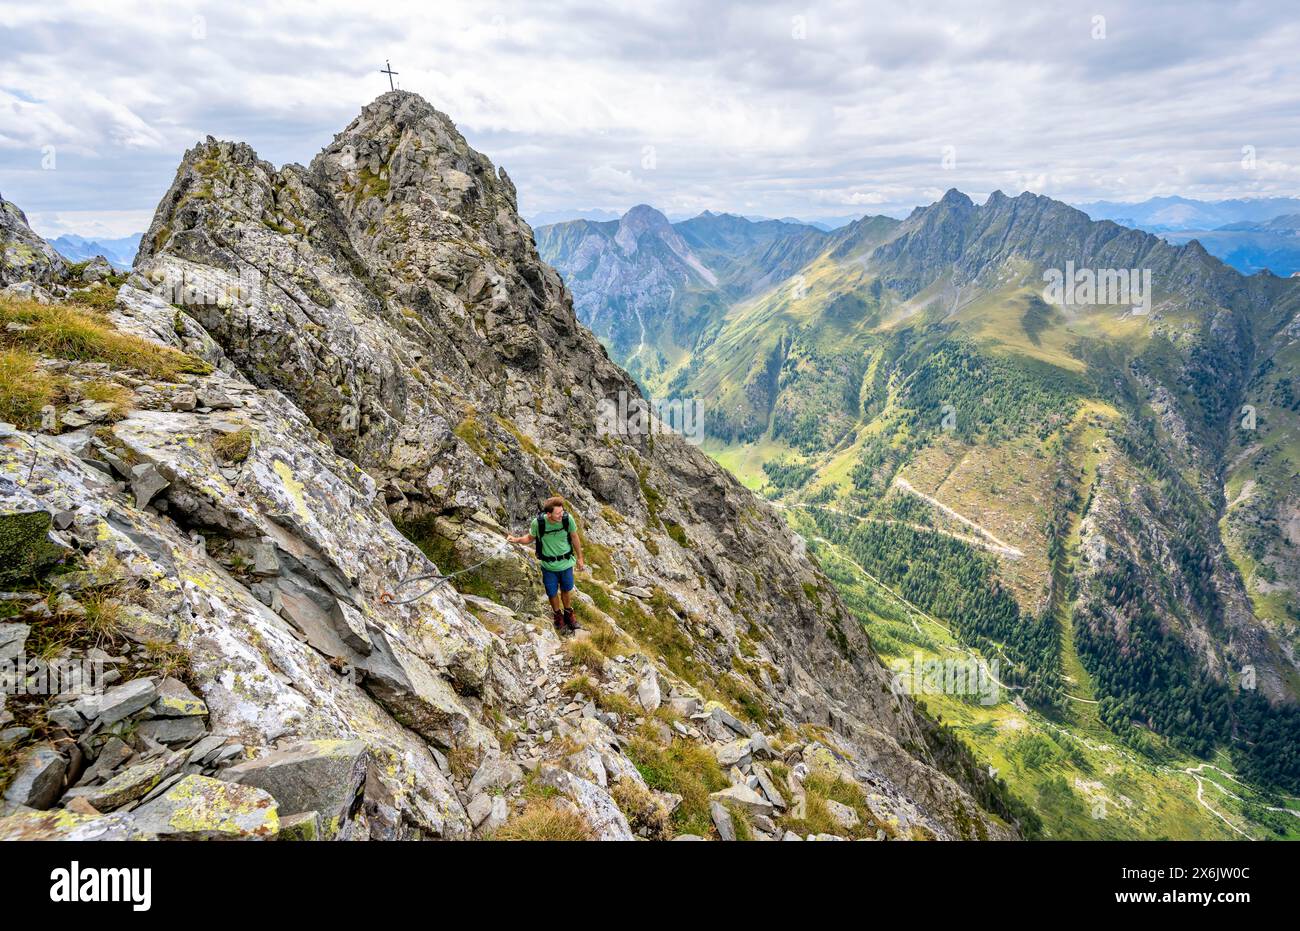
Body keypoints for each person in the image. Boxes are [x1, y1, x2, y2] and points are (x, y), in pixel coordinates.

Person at [507, 496, 585, 635]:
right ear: (549, 514)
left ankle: (568, 614)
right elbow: (530, 538)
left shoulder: (568, 519)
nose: (561, 515)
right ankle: (557, 616)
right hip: (548, 566)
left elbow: (574, 537)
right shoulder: (539, 523)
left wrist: (580, 558)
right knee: (551, 592)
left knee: (566, 589)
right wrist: (516, 539)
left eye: (562, 512)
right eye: (558, 513)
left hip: (566, 563)